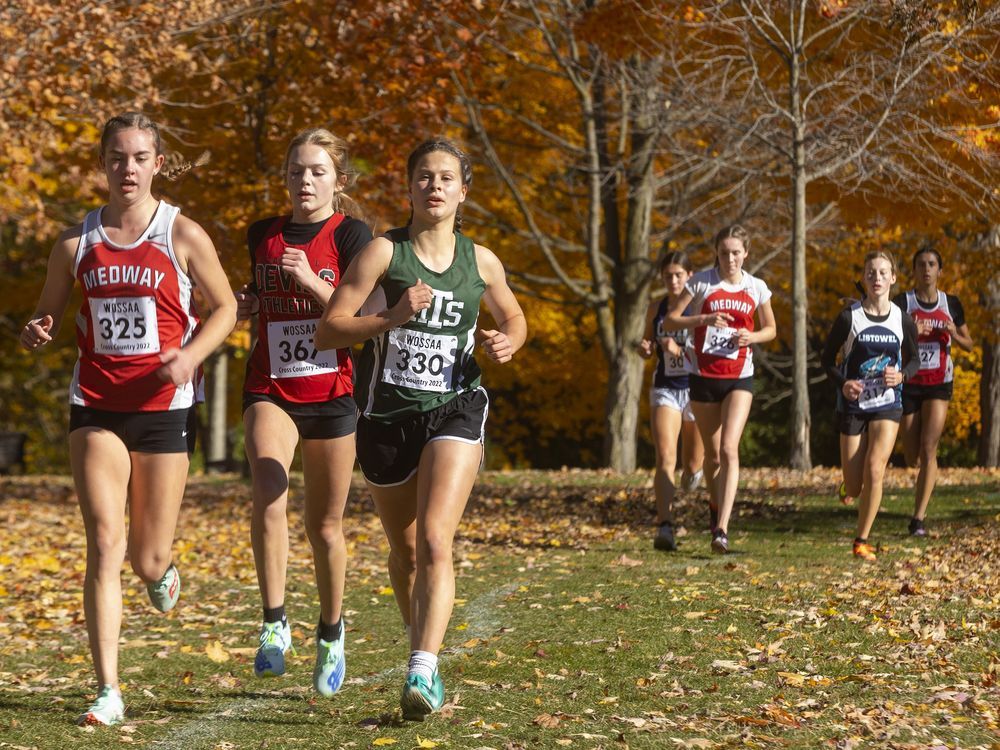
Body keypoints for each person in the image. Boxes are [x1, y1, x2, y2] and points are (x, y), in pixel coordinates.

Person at [19, 112, 236, 725]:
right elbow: (47, 314)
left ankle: (161, 570)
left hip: (164, 409)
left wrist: (191, 355)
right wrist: (41, 327)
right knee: (103, 542)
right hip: (96, 405)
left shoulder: (182, 234)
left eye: (140, 157)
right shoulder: (75, 243)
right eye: (117, 157)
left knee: (145, 557)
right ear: (104, 165)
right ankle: (108, 690)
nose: (128, 168)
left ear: (157, 163)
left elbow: (223, 309)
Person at [315, 138, 526, 721]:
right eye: (424, 178)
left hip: (456, 405)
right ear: (410, 188)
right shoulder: (383, 255)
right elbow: (329, 331)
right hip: (385, 418)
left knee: (436, 538)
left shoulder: (481, 261)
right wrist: (391, 317)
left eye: (445, 179)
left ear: (463, 191)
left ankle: (422, 670)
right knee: (406, 550)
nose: (434, 187)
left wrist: (510, 340)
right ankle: (423, 640)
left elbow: (513, 314)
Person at [235, 129, 373, 695]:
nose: (305, 181)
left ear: (338, 181)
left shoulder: (353, 235)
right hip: (270, 386)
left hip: (332, 391)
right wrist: (245, 303)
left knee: (324, 526)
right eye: (296, 171)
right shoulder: (261, 234)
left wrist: (309, 280)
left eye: (318, 171)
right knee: (267, 489)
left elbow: (358, 313)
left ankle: (332, 631)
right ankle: (273, 623)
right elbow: (254, 297)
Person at [664, 225, 776, 554]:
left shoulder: (757, 287)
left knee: (729, 449)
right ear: (717, 253)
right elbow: (671, 320)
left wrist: (751, 337)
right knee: (712, 456)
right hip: (703, 377)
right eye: (724, 252)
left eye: (736, 252)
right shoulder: (700, 283)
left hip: (740, 376)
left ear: (746, 254)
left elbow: (771, 329)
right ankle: (715, 512)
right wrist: (703, 320)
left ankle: (723, 530)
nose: (730, 258)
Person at [822, 250, 918, 561]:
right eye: (871, 272)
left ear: (893, 278)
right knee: (854, 485)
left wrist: (901, 375)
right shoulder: (850, 317)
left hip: (888, 404)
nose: (877, 278)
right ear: (864, 278)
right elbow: (826, 360)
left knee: (876, 468)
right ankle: (847, 488)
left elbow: (914, 360)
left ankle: (861, 540)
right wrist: (843, 383)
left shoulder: (902, 319)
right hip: (854, 404)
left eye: (883, 272)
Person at [893, 248, 973, 536]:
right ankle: (919, 496)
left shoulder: (951, 303)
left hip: (940, 382)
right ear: (913, 270)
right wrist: (910, 329)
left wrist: (953, 332)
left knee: (929, 449)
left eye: (931, 264)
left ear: (940, 270)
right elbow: (890, 338)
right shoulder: (903, 302)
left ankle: (918, 519)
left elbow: (969, 344)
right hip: (910, 381)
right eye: (921, 265)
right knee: (912, 454)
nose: (926, 269)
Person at [639, 251, 704, 551]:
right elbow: (647, 344)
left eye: (679, 275)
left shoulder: (701, 307)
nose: (674, 281)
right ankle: (665, 525)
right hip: (665, 387)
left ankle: (694, 473)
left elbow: (710, 352)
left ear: (690, 276)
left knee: (692, 465)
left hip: (697, 389)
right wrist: (646, 346)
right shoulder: (657, 307)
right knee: (666, 457)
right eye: (668, 276)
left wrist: (679, 351)